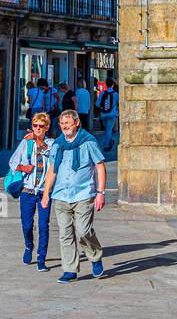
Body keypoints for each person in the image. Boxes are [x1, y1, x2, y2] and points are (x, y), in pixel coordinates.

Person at [41, 109, 107, 282]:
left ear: (77, 123)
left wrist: (100, 193)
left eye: (67, 123)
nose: (64, 127)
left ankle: (95, 255)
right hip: (61, 195)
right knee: (65, 233)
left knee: (83, 231)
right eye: (62, 124)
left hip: (84, 194)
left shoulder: (88, 142)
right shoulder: (58, 144)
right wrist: (46, 193)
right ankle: (70, 270)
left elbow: (100, 166)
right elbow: (52, 170)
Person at [8, 111, 54, 271]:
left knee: (44, 225)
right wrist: (23, 167)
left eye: (41, 126)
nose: (38, 128)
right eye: (35, 125)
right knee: (27, 225)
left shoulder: (52, 144)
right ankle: (29, 246)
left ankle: (42, 259)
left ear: (47, 127)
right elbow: (12, 162)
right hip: (27, 191)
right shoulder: (26, 143)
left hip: (44, 192)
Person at [98, 80, 119, 154]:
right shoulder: (116, 94)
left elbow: (97, 104)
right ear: (112, 85)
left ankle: (109, 142)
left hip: (103, 114)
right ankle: (106, 145)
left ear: (106, 84)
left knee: (107, 130)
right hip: (112, 114)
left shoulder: (102, 93)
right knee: (109, 129)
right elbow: (119, 103)